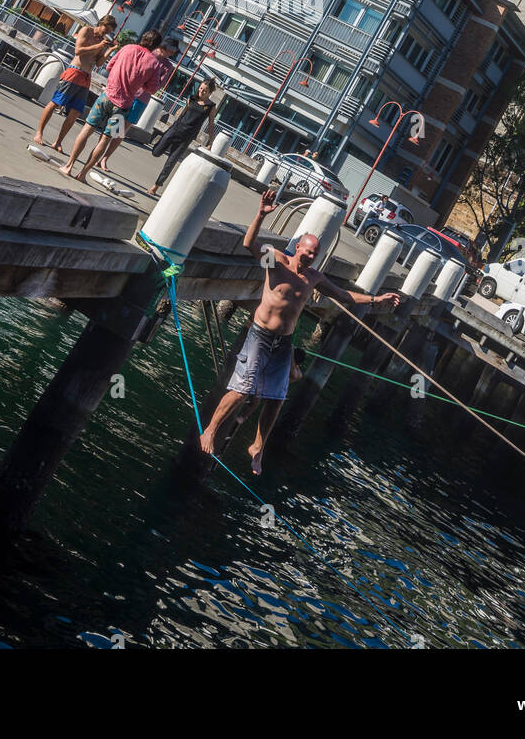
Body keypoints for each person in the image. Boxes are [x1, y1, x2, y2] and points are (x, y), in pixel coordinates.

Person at [199, 189, 402, 474]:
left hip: (284, 341)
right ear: (297, 248)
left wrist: (375, 299)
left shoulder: (313, 277)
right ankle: (210, 429)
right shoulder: (277, 261)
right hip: (260, 333)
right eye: (306, 252)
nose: (309, 257)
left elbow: (343, 295)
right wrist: (260, 213)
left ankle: (258, 446)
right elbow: (249, 244)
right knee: (241, 388)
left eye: (314, 254)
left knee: (278, 398)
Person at [58, 30, 178, 182]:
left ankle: (69, 165)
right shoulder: (154, 63)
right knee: (106, 139)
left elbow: (109, 67)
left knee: (87, 128)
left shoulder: (127, 48)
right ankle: (83, 174)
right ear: (156, 45)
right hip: (124, 106)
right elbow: (153, 89)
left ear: (143, 38)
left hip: (106, 96)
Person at [32, 16, 116, 150]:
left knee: (75, 112)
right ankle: (39, 132)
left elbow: (99, 63)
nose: (106, 33)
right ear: (101, 23)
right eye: (106, 29)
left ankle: (58, 141)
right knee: (55, 103)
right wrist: (98, 46)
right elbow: (78, 51)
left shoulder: (102, 41)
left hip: (86, 77)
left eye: (109, 31)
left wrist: (108, 50)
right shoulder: (86, 31)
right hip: (74, 72)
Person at [97, 45, 175, 172]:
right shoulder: (147, 53)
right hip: (128, 93)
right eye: (170, 50)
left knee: (122, 130)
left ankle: (105, 158)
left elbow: (159, 85)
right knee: (113, 125)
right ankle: (98, 153)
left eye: (173, 52)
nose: (171, 54)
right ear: (162, 47)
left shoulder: (167, 66)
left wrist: (144, 80)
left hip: (141, 100)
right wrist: (147, 81)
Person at [147, 79, 216, 196]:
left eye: (205, 90)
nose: (201, 92)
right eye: (200, 88)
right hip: (175, 129)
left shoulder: (210, 107)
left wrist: (211, 142)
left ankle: (156, 186)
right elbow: (182, 113)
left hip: (186, 137)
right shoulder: (191, 99)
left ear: (210, 93)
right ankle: (159, 147)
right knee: (156, 152)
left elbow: (210, 124)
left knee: (171, 162)